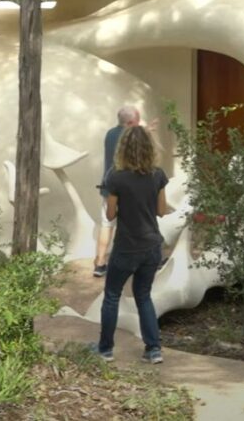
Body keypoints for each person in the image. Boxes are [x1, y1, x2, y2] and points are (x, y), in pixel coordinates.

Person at [94, 124, 168, 364]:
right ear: (149, 147)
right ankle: (153, 349)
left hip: (127, 247)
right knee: (144, 296)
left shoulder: (115, 176)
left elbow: (111, 215)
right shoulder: (158, 175)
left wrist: (112, 199)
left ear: (123, 148)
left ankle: (105, 349)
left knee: (112, 295)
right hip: (152, 247)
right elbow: (162, 211)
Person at [93, 105, 141, 278]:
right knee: (138, 225)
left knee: (106, 225)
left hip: (109, 187)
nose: (139, 124)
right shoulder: (131, 136)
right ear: (129, 122)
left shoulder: (110, 134)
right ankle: (140, 263)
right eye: (137, 121)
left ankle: (99, 264)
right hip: (127, 189)